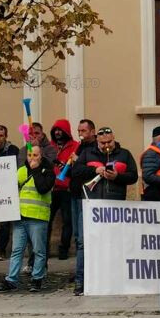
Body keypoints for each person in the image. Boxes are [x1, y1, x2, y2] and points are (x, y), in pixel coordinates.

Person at [69, 124, 137, 294]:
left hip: (114, 206)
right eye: (103, 143)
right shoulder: (87, 153)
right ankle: (81, 282)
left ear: (114, 139)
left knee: (114, 244)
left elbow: (133, 176)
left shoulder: (124, 154)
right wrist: (95, 169)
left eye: (110, 142)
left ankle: (113, 280)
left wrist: (117, 176)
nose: (107, 145)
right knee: (84, 244)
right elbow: (75, 171)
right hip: (91, 205)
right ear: (97, 141)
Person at [0, 144, 55, 292]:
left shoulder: (47, 172)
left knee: (38, 250)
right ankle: (11, 280)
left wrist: (35, 170)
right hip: (20, 217)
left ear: (41, 156)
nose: (32, 158)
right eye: (29, 155)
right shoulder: (21, 171)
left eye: (35, 155)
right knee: (17, 250)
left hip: (38, 217)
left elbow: (43, 188)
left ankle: (37, 279)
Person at [67, 118, 97, 295]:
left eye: (84, 131)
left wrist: (78, 162)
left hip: (86, 197)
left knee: (83, 241)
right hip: (75, 194)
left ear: (92, 131)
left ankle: (83, 277)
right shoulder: (79, 146)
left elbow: (90, 169)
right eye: (79, 131)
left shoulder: (94, 148)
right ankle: (81, 272)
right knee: (78, 237)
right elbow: (76, 171)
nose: (80, 134)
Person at [48, 119, 79, 260]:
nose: (58, 133)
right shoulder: (50, 146)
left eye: (60, 130)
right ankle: (44, 248)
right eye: (56, 130)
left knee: (68, 221)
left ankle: (64, 249)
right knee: (47, 221)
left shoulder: (75, 146)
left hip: (66, 189)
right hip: (52, 189)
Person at [0, 124, 19, 259]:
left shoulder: (13, 150)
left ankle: (0, 250)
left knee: (5, 223)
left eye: (1, 136)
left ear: (6, 137)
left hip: (7, 189)